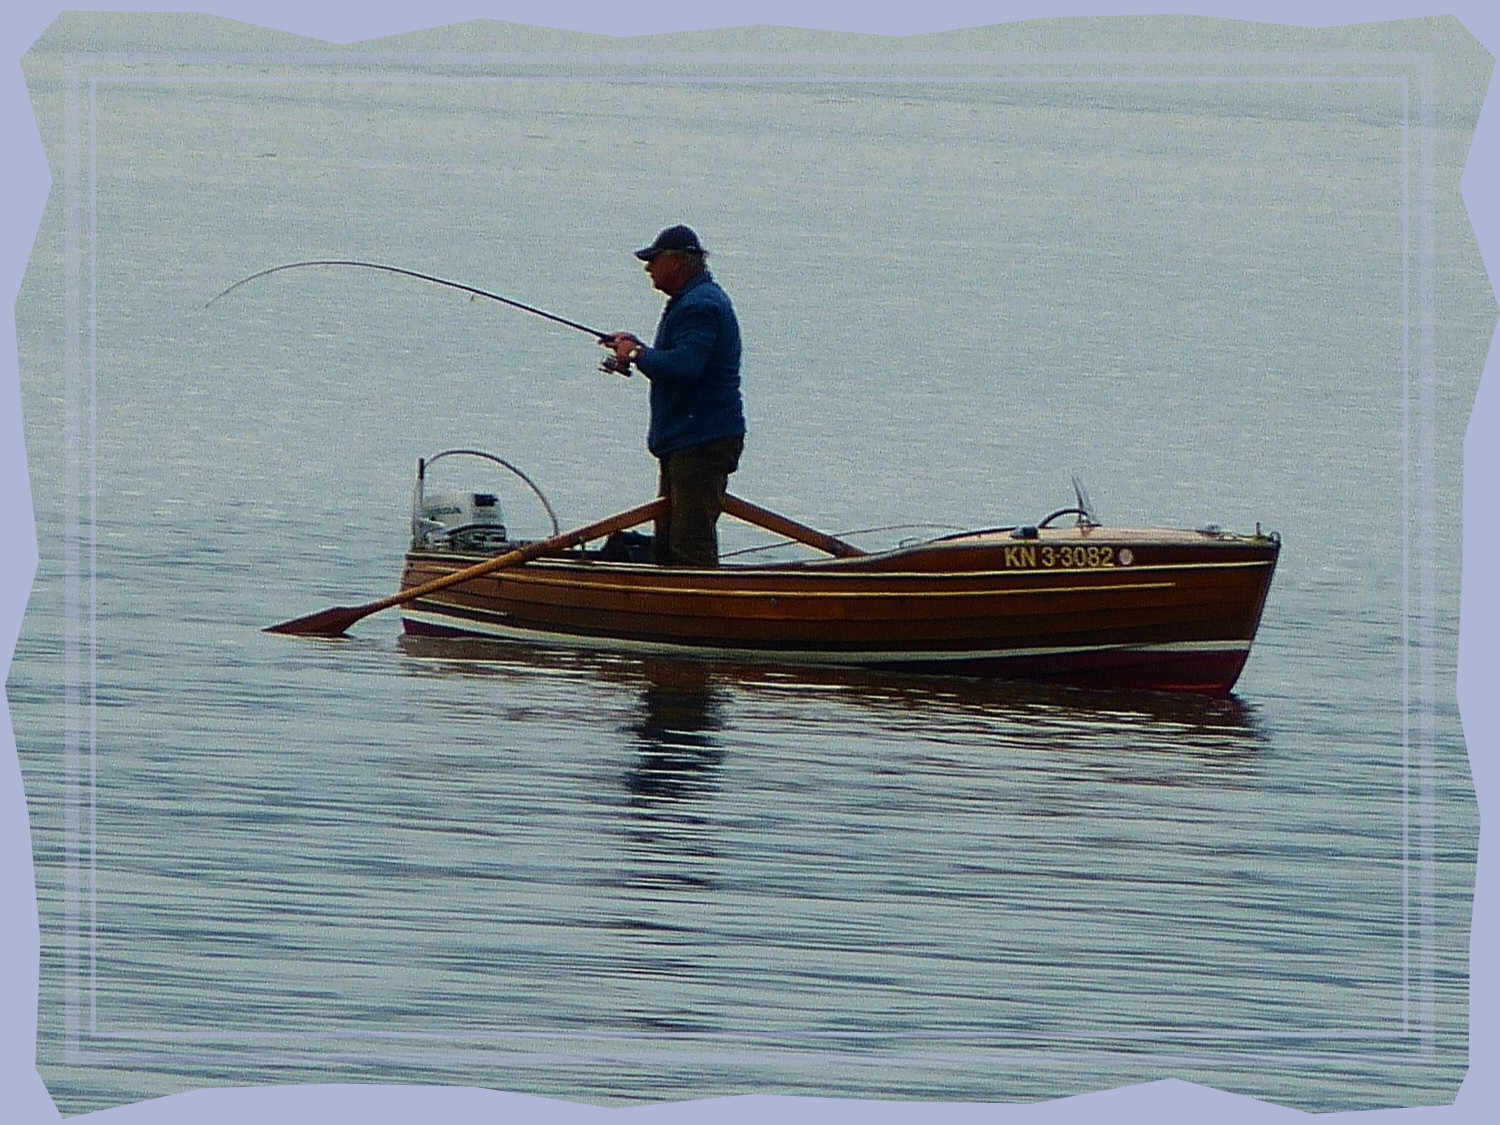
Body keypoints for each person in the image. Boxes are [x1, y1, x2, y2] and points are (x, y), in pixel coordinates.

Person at [602, 225, 746, 567]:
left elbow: (686, 365)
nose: (648, 268)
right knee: (666, 545)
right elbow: (679, 360)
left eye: (653, 260)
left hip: (701, 442)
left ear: (678, 262)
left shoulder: (700, 306)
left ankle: (698, 613)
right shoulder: (692, 301)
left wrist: (636, 355)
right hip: (686, 440)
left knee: (690, 546)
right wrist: (638, 350)